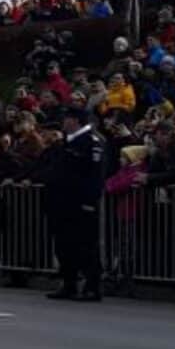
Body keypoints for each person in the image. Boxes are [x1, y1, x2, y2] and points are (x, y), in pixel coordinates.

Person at [42, 106, 106, 301]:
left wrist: (89, 201)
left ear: (76, 120)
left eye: (66, 118)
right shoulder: (67, 141)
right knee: (64, 245)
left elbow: (95, 175)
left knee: (85, 245)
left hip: (81, 203)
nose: (63, 122)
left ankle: (92, 286)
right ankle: (69, 283)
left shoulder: (92, 141)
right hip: (62, 202)